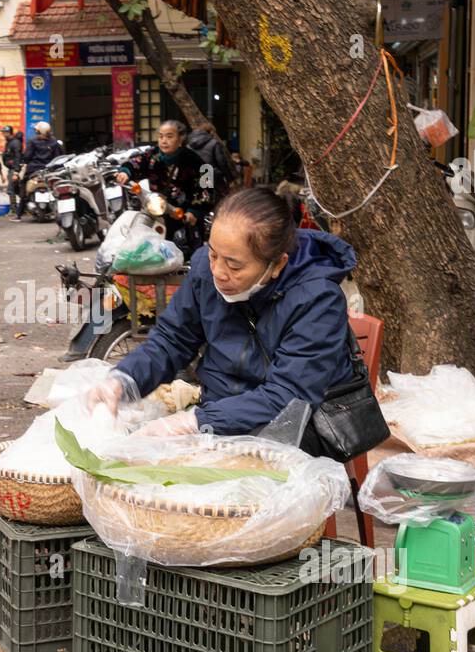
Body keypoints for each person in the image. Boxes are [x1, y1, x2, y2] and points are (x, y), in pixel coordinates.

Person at [86, 186, 359, 451]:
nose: (218, 271)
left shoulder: (318, 300)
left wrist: (194, 422)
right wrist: (124, 380)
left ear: (277, 265)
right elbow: (173, 339)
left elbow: (288, 395)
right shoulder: (206, 271)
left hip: (295, 432)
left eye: (234, 264)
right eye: (214, 254)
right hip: (218, 416)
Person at [114, 120, 209, 252]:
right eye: (160, 136)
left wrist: (195, 211)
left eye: (169, 136)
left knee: (186, 251)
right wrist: (125, 172)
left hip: (184, 214)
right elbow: (135, 163)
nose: (164, 141)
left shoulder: (194, 160)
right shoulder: (152, 155)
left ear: (180, 138)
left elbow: (207, 185)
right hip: (158, 208)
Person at [187, 120, 237, 199]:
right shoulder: (213, 143)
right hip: (212, 174)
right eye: (213, 132)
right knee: (222, 198)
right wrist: (230, 178)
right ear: (210, 132)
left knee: (199, 199)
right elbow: (221, 162)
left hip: (194, 174)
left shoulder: (189, 144)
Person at [20, 121, 63, 212]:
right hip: (49, 170)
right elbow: (58, 157)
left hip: (34, 170)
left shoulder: (32, 141)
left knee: (23, 185)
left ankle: (19, 213)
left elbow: (27, 156)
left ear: (39, 132)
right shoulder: (54, 142)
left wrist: (24, 161)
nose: (36, 133)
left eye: (37, 131)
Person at [2, 125, 25, 219]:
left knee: (11, 190)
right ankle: (21, 208)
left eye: (4, 132)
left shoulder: (14, 143)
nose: (3, 134)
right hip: (12, 168)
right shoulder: (10, 142)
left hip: (15, 169)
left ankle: (14, 210)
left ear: (9, 132)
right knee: (16, 189)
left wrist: (16, 171)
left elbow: (17, 157)